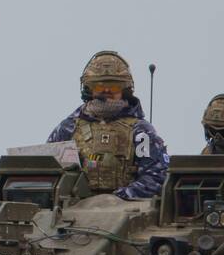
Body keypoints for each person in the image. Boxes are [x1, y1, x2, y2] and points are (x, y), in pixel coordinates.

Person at [47, 50, 169, 200]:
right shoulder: (68, 128)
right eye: (99, 87)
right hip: (72, 211)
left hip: (126, 212)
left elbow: (156, 177)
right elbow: (48, 173)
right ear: (89, 90)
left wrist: (116, 198)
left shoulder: (140, 131)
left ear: (125, 90)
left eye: (114, 87)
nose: (106, 91)